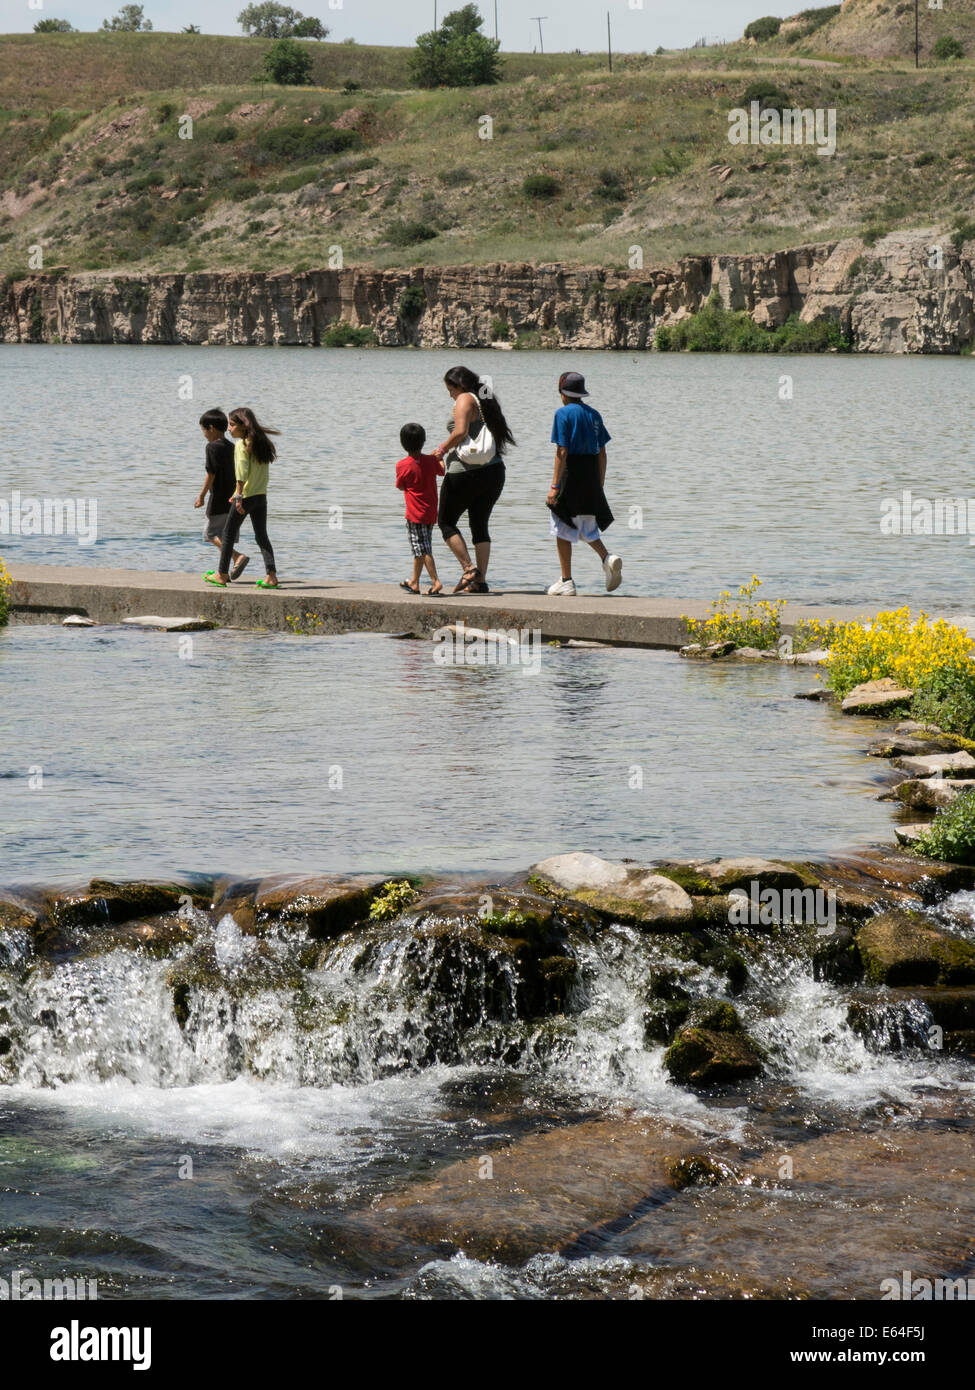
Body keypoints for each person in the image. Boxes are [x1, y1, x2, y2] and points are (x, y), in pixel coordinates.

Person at [431, 365, 515, 594]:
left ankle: (469, 569)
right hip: (494, 473)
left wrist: (440, 451)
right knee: (480, 525)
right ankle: (480, 582)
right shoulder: (485, 401)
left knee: (446, 522)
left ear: (460, 385)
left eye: (450, 389)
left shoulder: (465, 399)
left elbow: (459, 432)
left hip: (465, 473)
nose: (450, 394)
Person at [546, 371, 622, 596]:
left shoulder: (562, 414)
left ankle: (566, 580)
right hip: (591, 474)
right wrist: (599, 483)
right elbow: (602, 451)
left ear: (563, 393)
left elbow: (561, 451)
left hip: (571, 472)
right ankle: (608, 558)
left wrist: (554, 486)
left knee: (560, 522)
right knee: (587, 526)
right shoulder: (595, 415)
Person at [204, 407, 279, 589]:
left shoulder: (241, 445)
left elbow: (242, 473)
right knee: (262, 536)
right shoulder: (262, 444)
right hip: (261, 496)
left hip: (245, 496)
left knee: (228, 534)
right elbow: (259, 474)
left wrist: (238, 495)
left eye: (232, 425)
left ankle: (221, 575)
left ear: (243, 426)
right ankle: (272, 577)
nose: (229, 429)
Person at [194, 409, 249, 581]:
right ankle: (222, 571)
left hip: (218, 497)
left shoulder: (212, 447)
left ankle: (236, 556)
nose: (204, 434)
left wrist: (201, 496)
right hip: (234, 496)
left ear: (211, 428)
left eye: (203, 430)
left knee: (210, 534)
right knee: (225, 534)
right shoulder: (233, 447)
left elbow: (211, 474)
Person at [395, 422, 445, 596]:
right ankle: (414, 582)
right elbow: (442, 471)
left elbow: (400, 486)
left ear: (403, 443)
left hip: (415, 515)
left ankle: (435, 581)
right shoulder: (431, 461)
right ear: (423, 441)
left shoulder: (402, 465)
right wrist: (439, 458)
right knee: (421, 547)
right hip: (431, 512)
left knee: (423, 549)